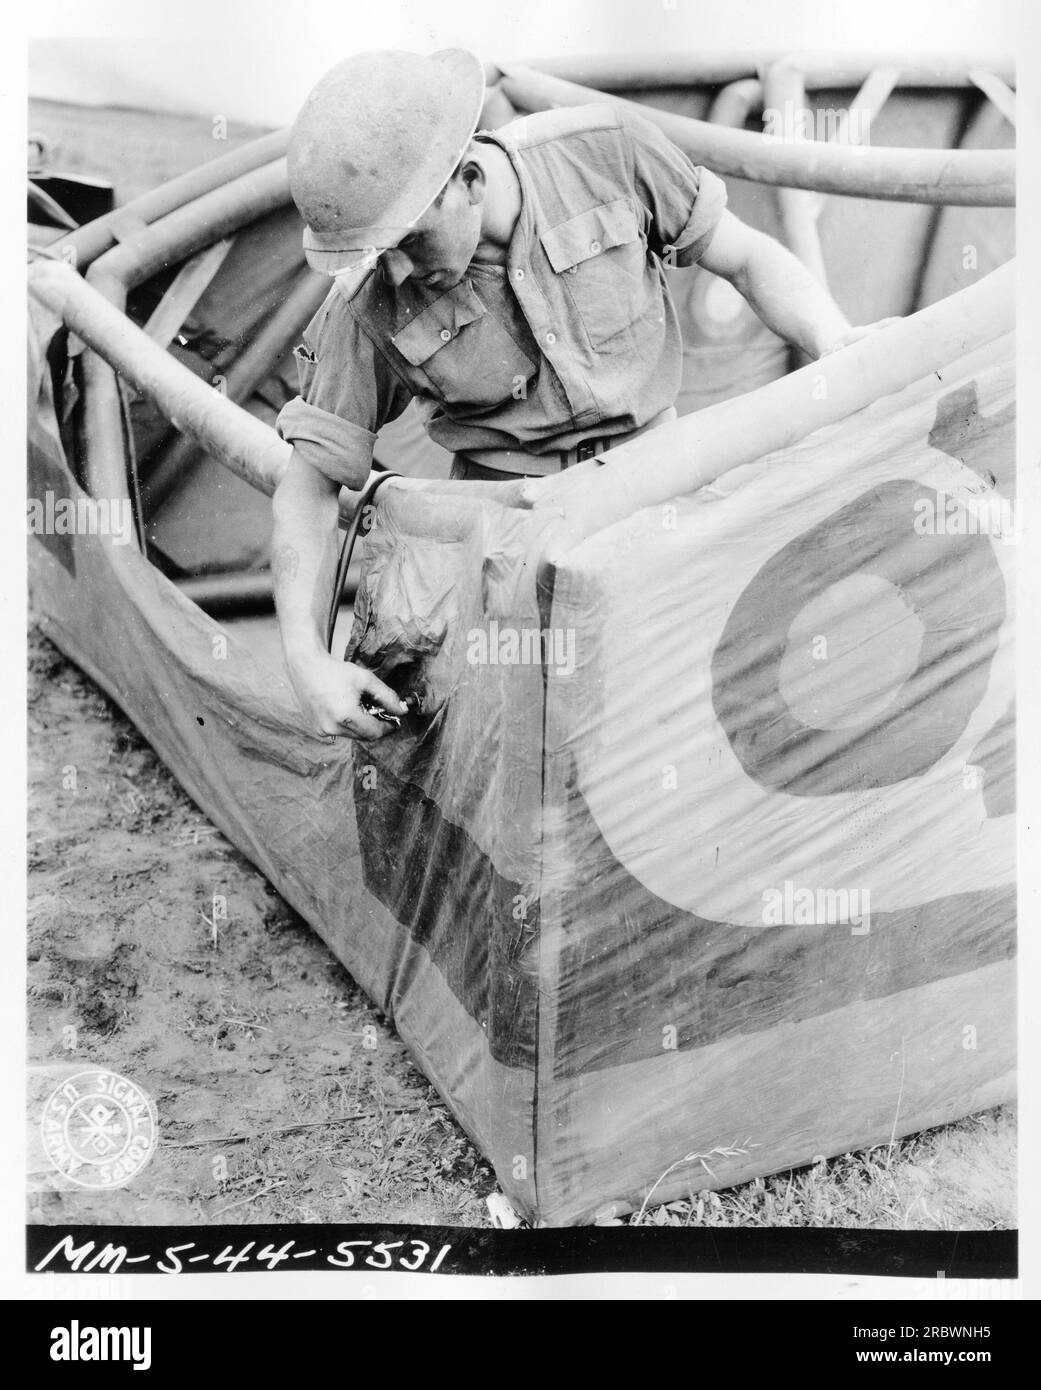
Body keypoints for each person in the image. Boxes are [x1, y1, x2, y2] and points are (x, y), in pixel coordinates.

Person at [272, 48, 893, 741]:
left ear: (470, 181)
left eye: (408, 240)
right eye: (373, 250)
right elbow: (307, 485)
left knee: (695, 713)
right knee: (535, 742)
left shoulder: (608, 155)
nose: (394, 268)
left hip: (661, 493)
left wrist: (833, 340)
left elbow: (745, 258)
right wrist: (305, 660)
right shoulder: (365, 304)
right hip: (511, 539)